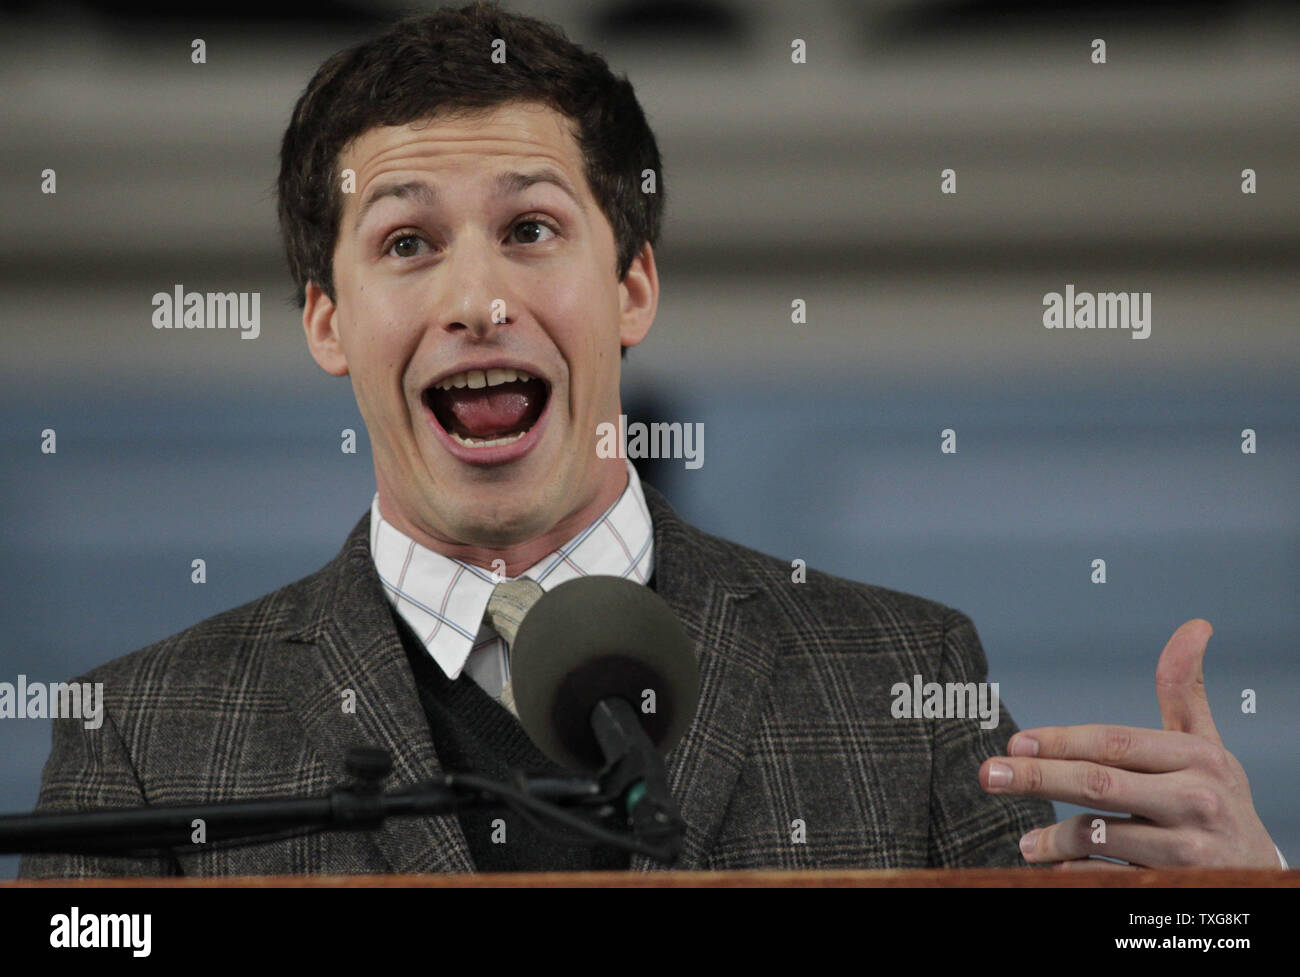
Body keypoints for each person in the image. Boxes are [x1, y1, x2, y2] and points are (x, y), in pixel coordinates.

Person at [19, 2, 1283, 878]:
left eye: (530, 229)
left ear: (630, 289)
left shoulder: (902, 675)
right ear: (327, 319)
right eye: (407, 243)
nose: (475, 299)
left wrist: (1229, 905)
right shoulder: (144, 732)